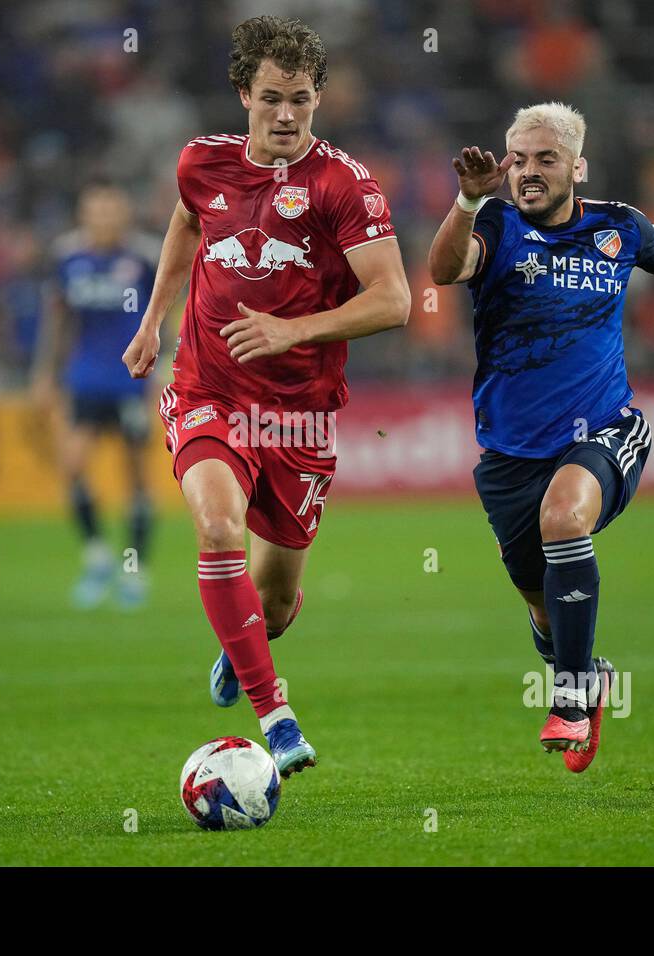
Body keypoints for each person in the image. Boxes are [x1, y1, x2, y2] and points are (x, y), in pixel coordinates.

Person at [427, 103, 654, 772]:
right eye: (519, 160)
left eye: (545, 160)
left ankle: (572, 695)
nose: (528, 172)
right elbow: (444, 271)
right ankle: (587, 670)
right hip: (509, 453)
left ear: (576, 167)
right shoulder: (494, 224)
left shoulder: (619, 227)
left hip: (605, 429)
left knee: (564, 518)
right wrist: (470, 196)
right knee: (542, 603)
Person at [121, 15, 411, 777]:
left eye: (304, 100)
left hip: (300, 413)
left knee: (275, 604)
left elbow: (394, 301)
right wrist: (155, 321)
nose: (288, 115)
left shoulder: (343, 186)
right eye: (274, 98)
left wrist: (294, 331)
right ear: (244, 93)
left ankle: (242, 641)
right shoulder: (201, 164)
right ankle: (276, 718)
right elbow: (186, 225)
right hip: (207, 390)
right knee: (217, 528)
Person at [34, 183, 160, 609]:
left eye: (111, 209)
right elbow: (58, 319)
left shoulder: (143, 257)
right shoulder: (67, 258)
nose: (104, 217)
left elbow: (169, 311)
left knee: (136, 476)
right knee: (71, 466)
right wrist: (45, 373)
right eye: (96, 210)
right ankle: (97, 555)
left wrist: (169, 362)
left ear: (123, 213)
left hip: (132, 380)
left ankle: (135, 569)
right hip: (84, 379)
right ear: (84, 214)